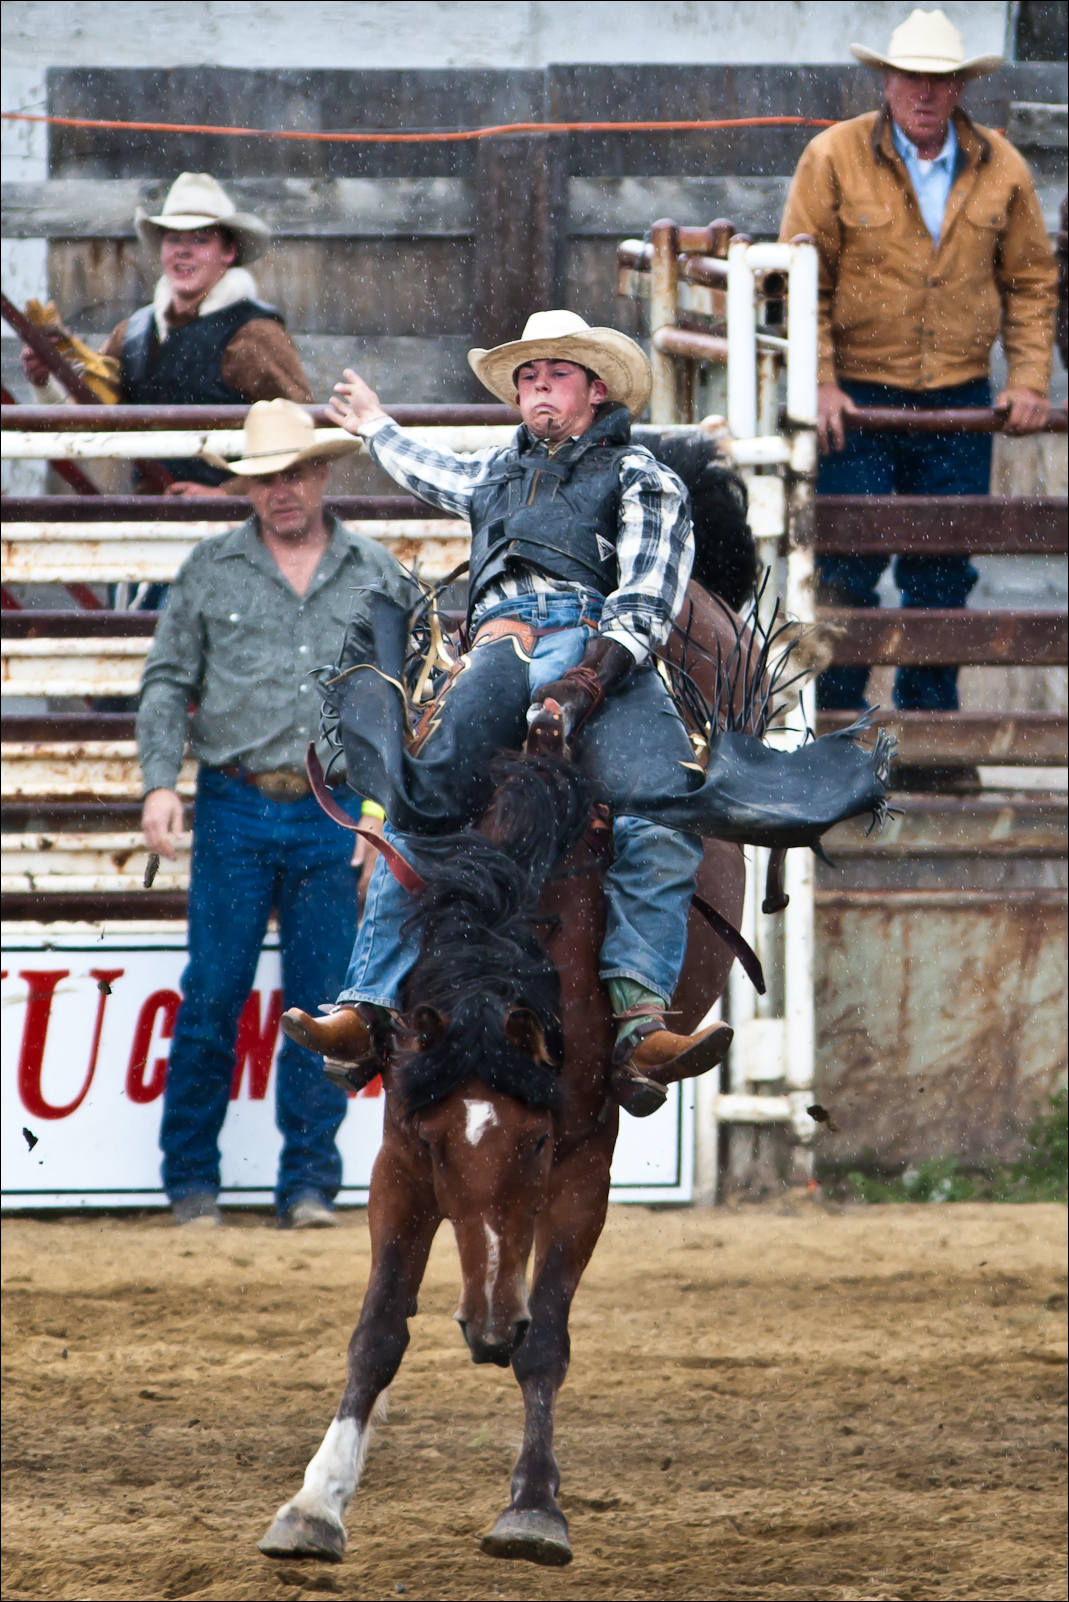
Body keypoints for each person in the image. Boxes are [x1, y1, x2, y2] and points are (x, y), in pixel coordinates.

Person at [281, 310, 734, 1119]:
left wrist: (589, 680)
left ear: (596, 391)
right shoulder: (495, 472)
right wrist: (376, 427)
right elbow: (434, 471)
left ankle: (639, 1022)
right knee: (420, 803)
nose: (538, 390)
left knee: (661, 809)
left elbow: (647, 595)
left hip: (603, 645)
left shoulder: (642, 476)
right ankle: (368, 1006)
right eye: (528, 378)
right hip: (498, 645)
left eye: (556, 375)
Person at [136, 399, 413, 1226]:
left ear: (321, 474)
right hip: (234, 802)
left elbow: (401, 698)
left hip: (337, 813)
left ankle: (308, 1184)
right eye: (265, 478)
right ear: (247, 488)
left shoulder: (376, 571)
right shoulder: (210, 568)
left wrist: (381, 809)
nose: (282, 491)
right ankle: (191, 1179)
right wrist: (159, 783)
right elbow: (167, 681)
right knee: (212, 993)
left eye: (294, 473)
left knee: (325, 1005)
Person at [779, 7, 1057, 788]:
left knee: (941, 574)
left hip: (959, 402)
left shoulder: (1001, 167)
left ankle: (929, 747)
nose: (924, 93)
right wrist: (819, 381)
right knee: (846, 568)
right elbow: (802, 279)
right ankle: (835, 745)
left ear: (961, 86)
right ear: (885, 81)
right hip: (855, 402)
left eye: (939, 79)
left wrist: (1027, 381)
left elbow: (1031, 280)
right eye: (910, 77)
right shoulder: (831, 158)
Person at [21, 171, 312, 497]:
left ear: (228, 252)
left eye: (200, 240)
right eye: (174, 239)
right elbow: (85, 425)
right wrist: (45, 380)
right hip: (150, 516)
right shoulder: (132, 333)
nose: (183, 251)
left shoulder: (255, 334)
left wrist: (226, 495)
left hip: (236, 521)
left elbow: (300, 434)